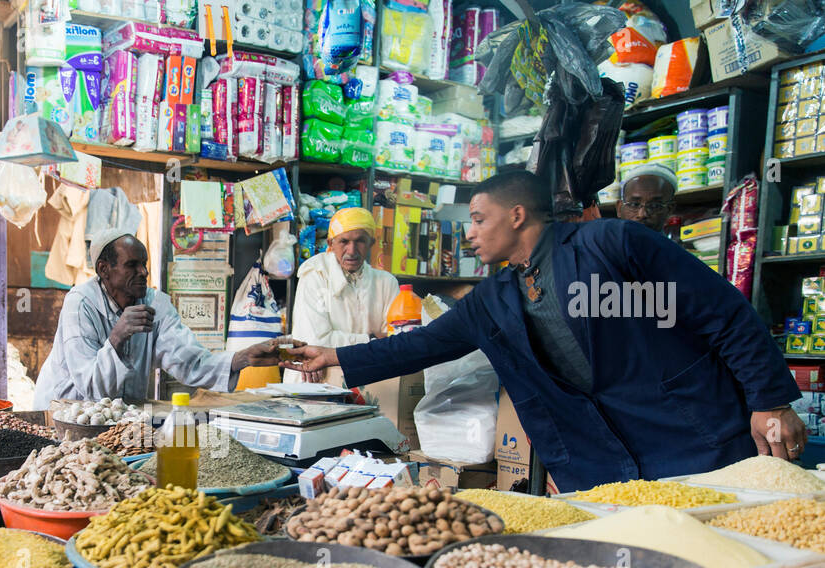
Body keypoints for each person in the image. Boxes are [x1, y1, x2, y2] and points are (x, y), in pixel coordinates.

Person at [284, 170, 807, 492]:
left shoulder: (614, 245)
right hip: (600, 459)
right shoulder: (495, 299)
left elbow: (722, 312)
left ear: (516, 216)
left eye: (479, 219)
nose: (469, 234)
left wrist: (769, 399)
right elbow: (423, 344)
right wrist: (329, 356)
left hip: (687, 430)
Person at [33, 228, 298, 405]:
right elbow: (91, 388)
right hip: (65, 414)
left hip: (120, 420)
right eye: (132, 265)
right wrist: (117, 336)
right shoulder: (80, 304)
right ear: (104, 269)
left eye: (144, 264)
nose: (143, 272)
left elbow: (189, 361)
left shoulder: (155, 303)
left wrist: (244, 358)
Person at [286, 207, 397, 385]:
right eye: (344, 241)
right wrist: (372, 339)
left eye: (360, 241)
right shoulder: (315, 276)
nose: (352, 250)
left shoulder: (386, 282)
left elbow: (395, 343)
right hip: (315, 384)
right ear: (331, 243)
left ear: (372, 243)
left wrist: (335, 348)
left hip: (367, 383)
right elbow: (317, 342)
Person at [616, 163, 677, 233]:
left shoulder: (670, 244)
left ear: (669, 210)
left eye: (654, 206)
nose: (642, 214)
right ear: (619, 208)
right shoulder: (605, 243)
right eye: (634, 205)